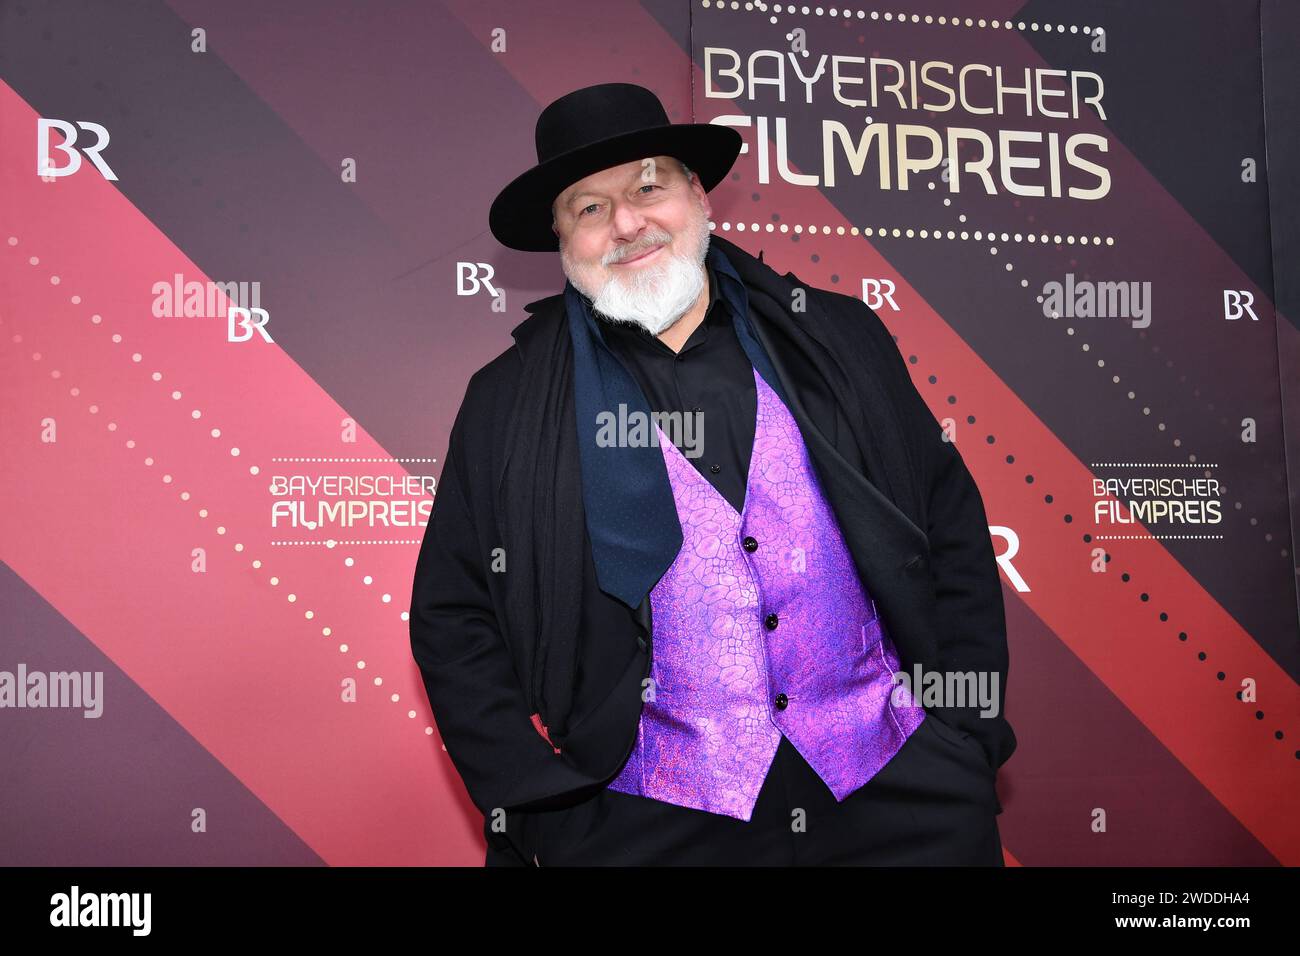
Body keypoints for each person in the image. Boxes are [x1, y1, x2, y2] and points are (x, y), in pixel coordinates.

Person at [409, 82, 1015, 866]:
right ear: (562, 238)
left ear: (696, 191)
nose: (626, 223)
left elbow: (953, 531)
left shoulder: (836, 338)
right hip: (651, 823)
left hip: (895, 794)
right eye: (590, 208)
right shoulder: (508, 402)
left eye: (647, 186)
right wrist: (538, 804)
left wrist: (963, 736)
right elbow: (453, 616)